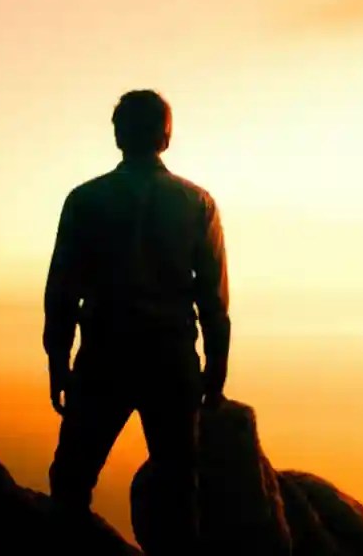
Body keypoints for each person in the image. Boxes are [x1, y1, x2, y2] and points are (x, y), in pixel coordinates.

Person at [42, 89, 230, 553]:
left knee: (71, 482)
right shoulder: (197, 203)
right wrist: (216, 367)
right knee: (178, 491)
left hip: (104, 354)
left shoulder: (85, 200)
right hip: (171, 360)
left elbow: (62, 288)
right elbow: (213, 297)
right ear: (166, 136)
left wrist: (58, 359)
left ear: (118, 135)